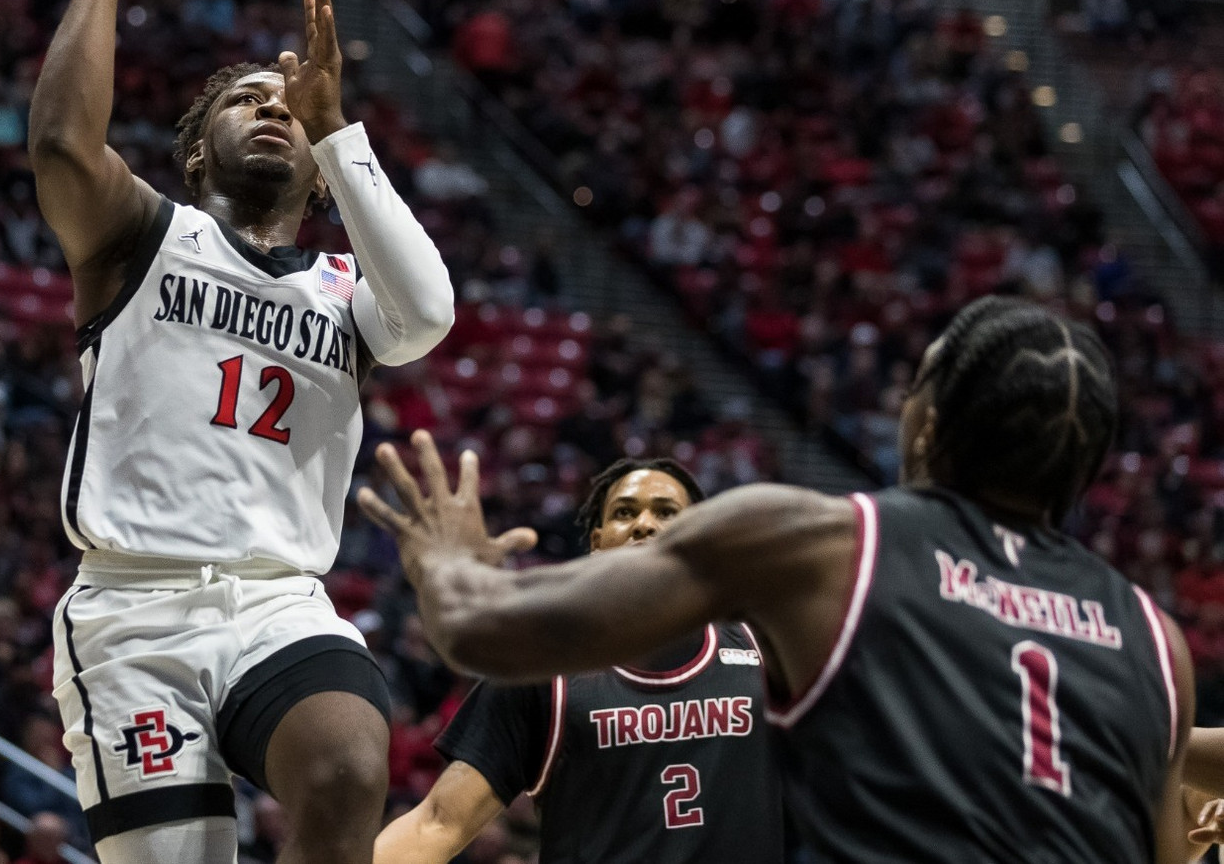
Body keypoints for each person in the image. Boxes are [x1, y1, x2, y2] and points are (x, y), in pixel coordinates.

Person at [359, 297, 1191, 863]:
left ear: (928, 423)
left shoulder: (833, 546)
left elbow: (478, 625)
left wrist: (445, 557)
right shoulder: (1156, 641)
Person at [31, 0, 455, 864]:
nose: (274, 106)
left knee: (352, 761)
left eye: (288, 103)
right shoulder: (144, 235)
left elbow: (431, 314)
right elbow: (60, 149)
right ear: (192, 150)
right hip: (135, 612)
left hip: (279, 602)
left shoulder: (349, 293)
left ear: (320, 178)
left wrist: (339, 129)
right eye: (246, 98)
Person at [374, 459, 782, 864]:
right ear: (598, 542)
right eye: (625, 512)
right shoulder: (542, 672)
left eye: (667, 512)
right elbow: (437, 823)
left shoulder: (765, 648)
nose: (644, 524)